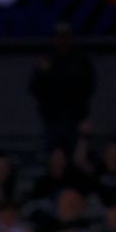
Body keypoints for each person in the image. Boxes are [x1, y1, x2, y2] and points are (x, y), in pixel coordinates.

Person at [28, 22, 95, 150]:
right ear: (53, 39)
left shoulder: (81, 60)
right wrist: (44, 72)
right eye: (59, 37)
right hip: (50, 118)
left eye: (65, 37)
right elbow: (34, 87)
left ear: (70, 38)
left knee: (74, 158)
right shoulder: (45, 60)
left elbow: (89, 87)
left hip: (75, 117)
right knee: (54, 157)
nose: (62, 41)